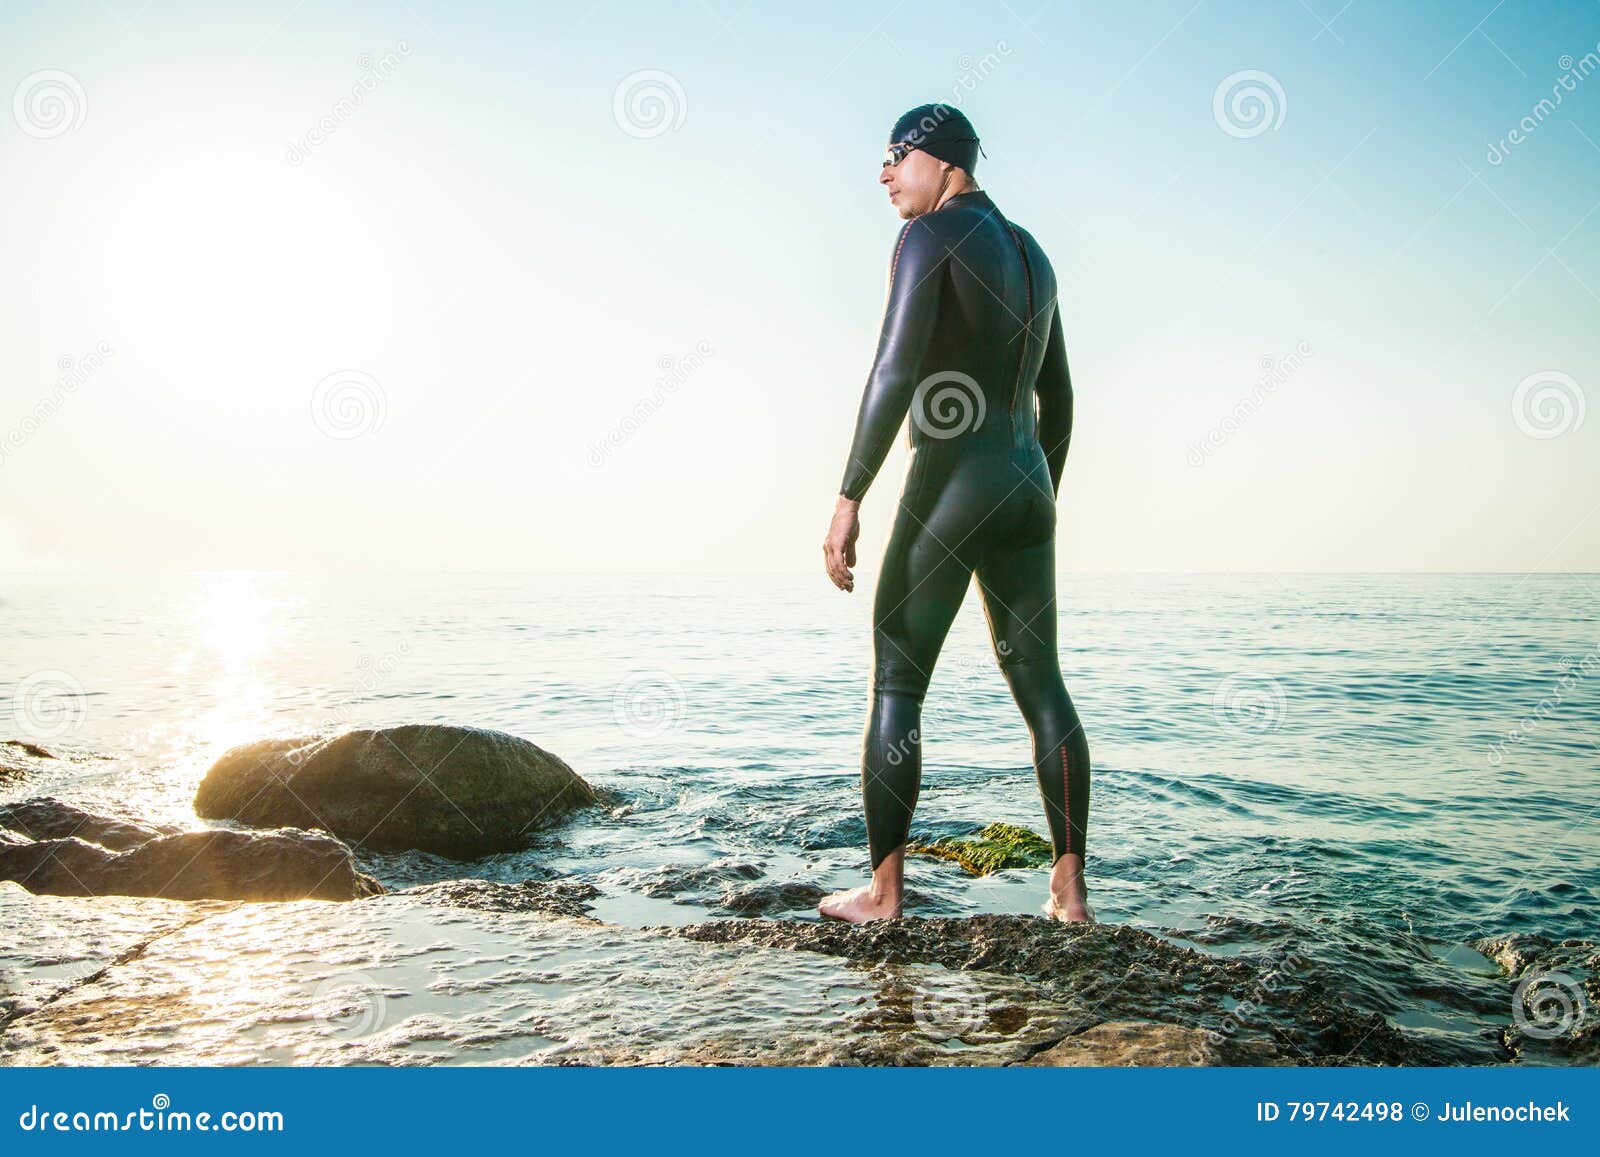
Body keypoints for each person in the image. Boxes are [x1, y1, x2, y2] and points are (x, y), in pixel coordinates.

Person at [819, 103, 1094, 925]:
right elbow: (1063, 397)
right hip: (1026, 483)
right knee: (1042, 682)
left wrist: (849, 495)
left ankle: (884, 892)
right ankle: (1070, 893)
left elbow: (895, 369)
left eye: (894, 156)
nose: (883, 174)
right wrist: (1036, 489)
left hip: (949, 478)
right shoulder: (1032, 253)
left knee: (899, 682)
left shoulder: (928, 238)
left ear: (941, 162)